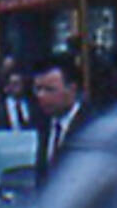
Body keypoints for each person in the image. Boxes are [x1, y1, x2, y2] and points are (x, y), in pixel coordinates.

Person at [34, 57, 87, 186]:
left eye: (49, 90)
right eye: (38, 89)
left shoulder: (90, 127)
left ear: (72, 90)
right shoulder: (44, 126)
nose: (41, 96)